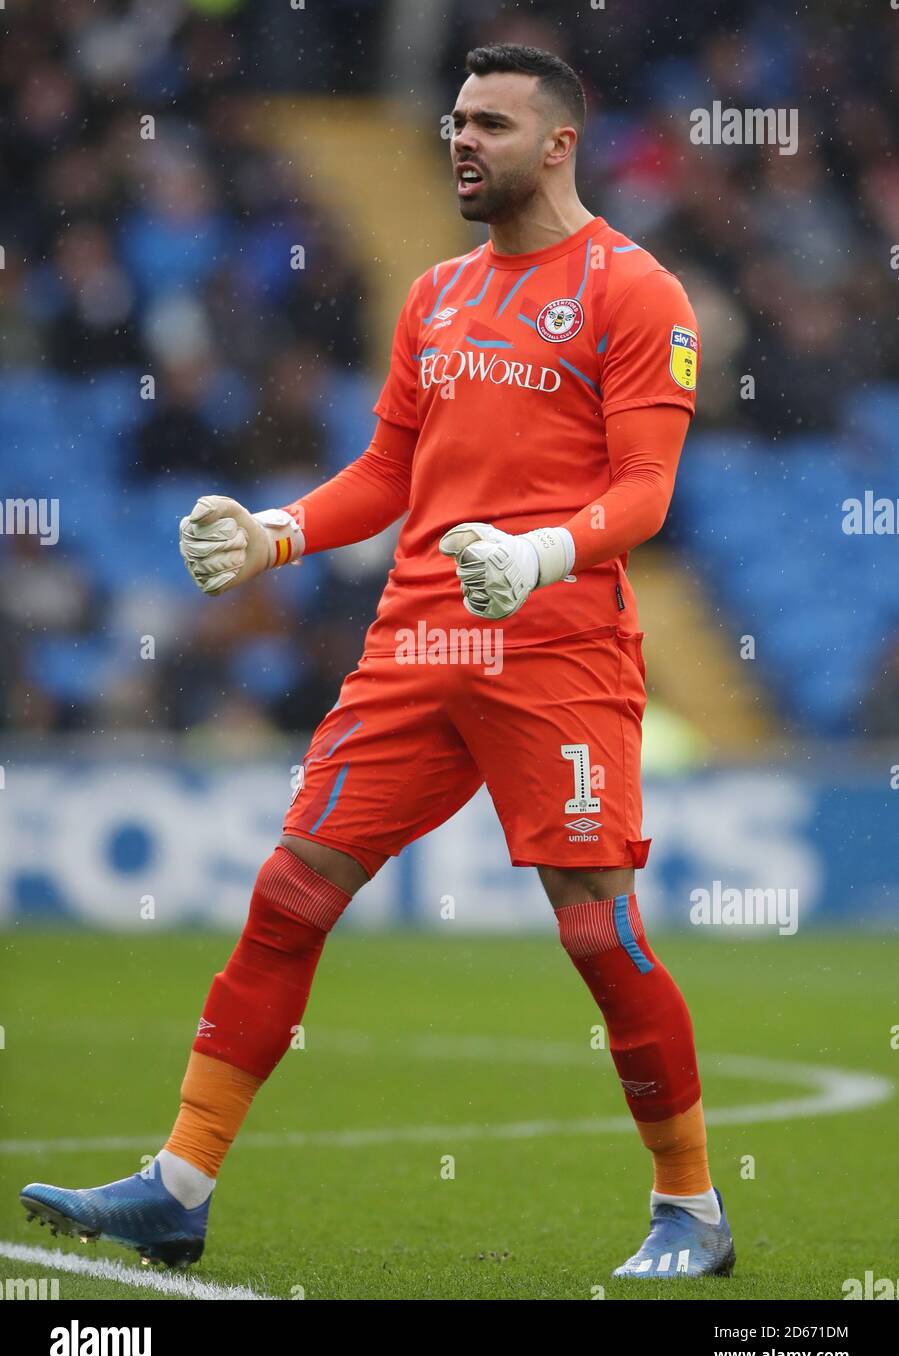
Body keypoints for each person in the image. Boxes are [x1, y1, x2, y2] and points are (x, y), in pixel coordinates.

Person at [21, 44, 734, 1282]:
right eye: (455, 121)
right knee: (289, 892)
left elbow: (645, 493)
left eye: (492, 125)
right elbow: (388, 475)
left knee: (594, 933)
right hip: (414, 644)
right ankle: (178, 1184)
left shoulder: (634, 293)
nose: (462, 141)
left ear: (558, 143)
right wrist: (275, 534)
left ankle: (690, 1212)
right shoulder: (436, 294)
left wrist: (541, 553)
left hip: (554, 652)